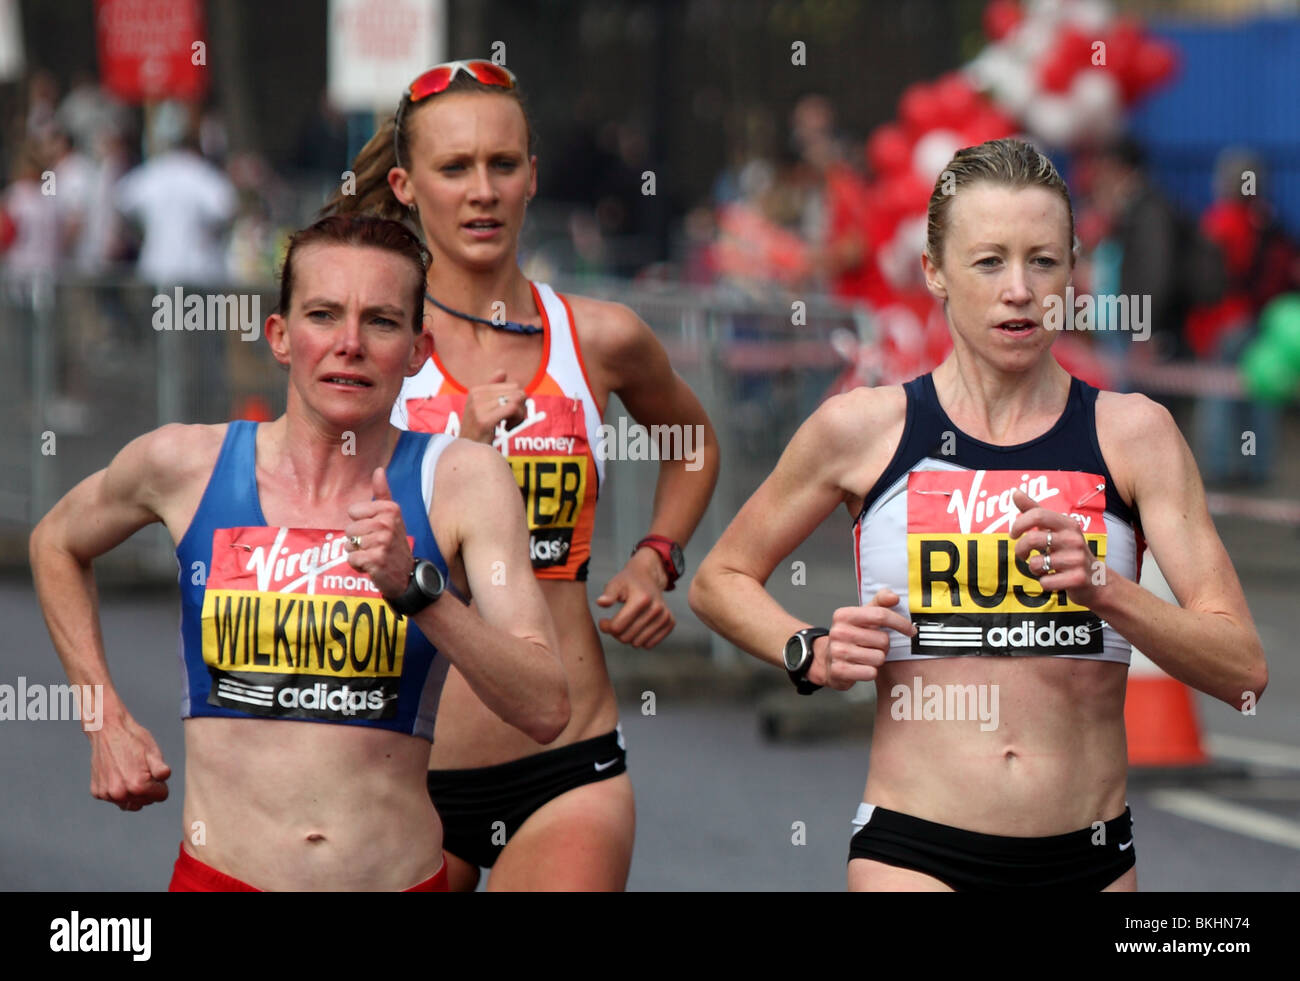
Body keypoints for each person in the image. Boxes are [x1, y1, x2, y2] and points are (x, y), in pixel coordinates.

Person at [689, 138, 1267, 892]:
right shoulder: (862, 429)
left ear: (1073, 272)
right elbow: (719, 578)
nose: (1019, 290)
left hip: (1087, 858)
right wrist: (810, 650)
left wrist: (1108, 589)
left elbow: (1243, 670)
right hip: (917, 851)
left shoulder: (1135, 435)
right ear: (935, 271)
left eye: (1043, 261)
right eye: (989, 261)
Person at [28, 214, 570, 891]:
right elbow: (54, 540)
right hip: (221, 878)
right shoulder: (186, 464)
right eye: (322, 314)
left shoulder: (461, 482)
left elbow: (546, 706)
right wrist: (102, 716)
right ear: (280, 337)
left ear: (417, 350)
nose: (348, 344)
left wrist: (417, 590)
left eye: (379, 321)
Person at [324, 60, 719, 891]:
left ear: (533, 176)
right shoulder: (368, 346)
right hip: (401, 768)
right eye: (454, 168)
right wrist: (453, 462)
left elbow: (690, 439)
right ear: (404, 183)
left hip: (566, 762)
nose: (483, 191)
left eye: (503, 165)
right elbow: (316, 528)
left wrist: (656, 555)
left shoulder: (599, 336)